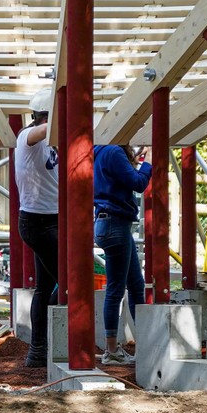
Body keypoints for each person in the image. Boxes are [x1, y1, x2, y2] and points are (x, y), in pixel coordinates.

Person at [93, 143, 152, 365]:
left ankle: (143, 343)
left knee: (136, 284)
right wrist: (148, 163)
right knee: (116, 289)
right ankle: (112, 350)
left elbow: (117, 179)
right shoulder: (114, 151)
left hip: (109, 223)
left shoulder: (99, 150)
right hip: (115, 224)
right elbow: (138, 183)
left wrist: (135, 161)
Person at [15, 88, 59, 368]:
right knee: (67, 282)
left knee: (44, 288)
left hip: (51, 220)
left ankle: (38, 350)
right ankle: (48, 343)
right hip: (36, 222)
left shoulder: (55, 142)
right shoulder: (27, 137)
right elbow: (39, 132)